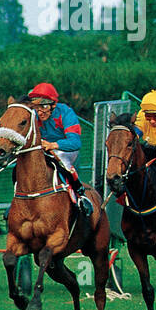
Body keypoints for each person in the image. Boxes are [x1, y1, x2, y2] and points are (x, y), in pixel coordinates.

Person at [26, 82, 91, 217]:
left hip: (65, 150)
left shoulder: (66, 113)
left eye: (44, 106)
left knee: (62, 160)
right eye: (36, 106)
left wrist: (52, 145)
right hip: (40, 149)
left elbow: (75, 142)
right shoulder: (33, 115)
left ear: (53, 105)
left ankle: (80, 195)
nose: (39, 112)